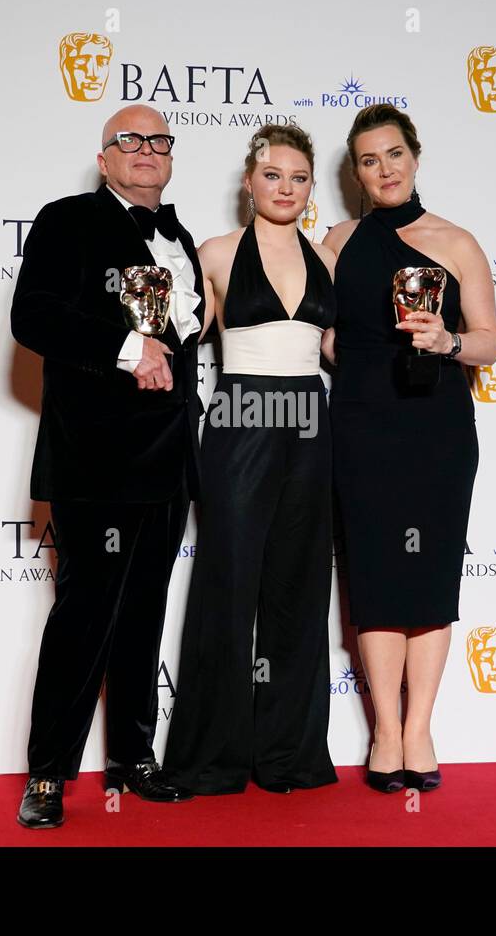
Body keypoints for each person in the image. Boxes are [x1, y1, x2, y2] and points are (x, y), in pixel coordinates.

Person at [9, 103, 207, 828]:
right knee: (83, 617)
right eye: (130, 139)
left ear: (171, 156)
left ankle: (132, 759)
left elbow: (184, 335)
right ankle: (48, 777)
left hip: (167, 461)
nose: (146, 150)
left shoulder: (179, 236)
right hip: (97, 459)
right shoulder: (67, 220)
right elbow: (33, 317)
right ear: (105, 159)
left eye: (159, 140)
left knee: (143, 618)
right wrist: (127, 350)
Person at [321, 104, 496, 793]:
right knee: (372, 577)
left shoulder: (455, 242)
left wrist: (450, 342)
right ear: (357, 173)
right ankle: (384, 734)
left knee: (426, 582)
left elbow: (490, 337)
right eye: (369, 160)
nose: (384, 169)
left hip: (436, 427)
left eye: (393, 154)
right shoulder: (338, 241)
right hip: (362, 424)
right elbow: (315, 323)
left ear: (415, 157)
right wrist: (344, 349)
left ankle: (420, 727)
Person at [162, 124, 339, 795]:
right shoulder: (214, 251)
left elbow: (332, 350)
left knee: (298, 586)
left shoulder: (325, 256)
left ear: (309, 186)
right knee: (228, 580)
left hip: (308, 417)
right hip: (242, 414)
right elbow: (188, 331)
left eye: (298, 178)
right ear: (249, 180)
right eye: (273, 175)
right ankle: (213, 757)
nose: (286, 188)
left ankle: (287, 754)